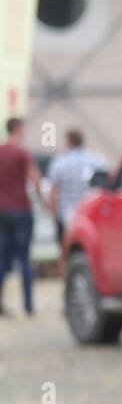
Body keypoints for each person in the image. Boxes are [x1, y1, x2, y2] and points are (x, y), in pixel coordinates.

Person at [0, 117, 44, 317]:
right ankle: (28, 305)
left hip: (2, 211)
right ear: (18, 128)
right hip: (21, 209)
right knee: (24, 259)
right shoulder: (23, 152)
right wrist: (42, 200)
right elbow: (34, 177)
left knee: (1, 259)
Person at [45, 129, 106, 250]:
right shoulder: (96, 160)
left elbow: (53, 193)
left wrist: (54, 215)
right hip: (89, 213)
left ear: (68, 141)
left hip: (66, 214)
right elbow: (103, 185)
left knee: (66, 251)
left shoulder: (59, 163)